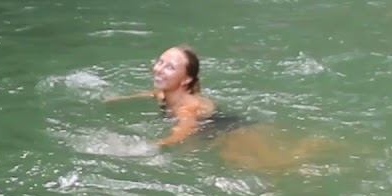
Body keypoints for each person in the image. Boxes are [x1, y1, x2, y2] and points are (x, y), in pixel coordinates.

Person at [108, 45, 330, 171]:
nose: (159, 69)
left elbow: (184, 131)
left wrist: (153, 145)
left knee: (277, 167)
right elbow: (151, 93)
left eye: (170, 67)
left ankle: (315, 144)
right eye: (160, 62)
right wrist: (116, 99)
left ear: (185, 80)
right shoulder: (164, 93)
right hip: (214, 130)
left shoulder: (187, 108)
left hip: (233, 131)